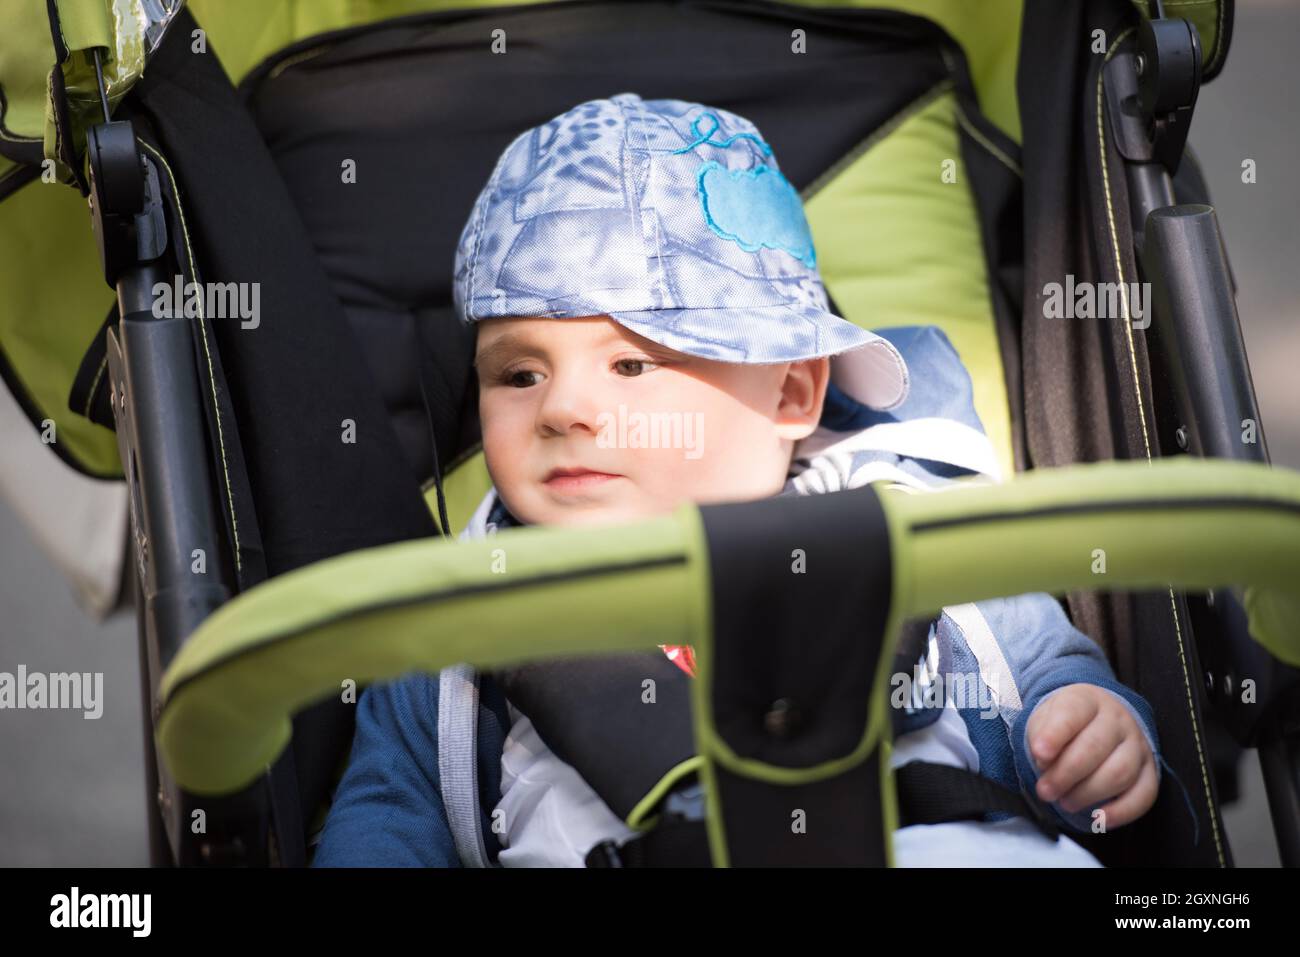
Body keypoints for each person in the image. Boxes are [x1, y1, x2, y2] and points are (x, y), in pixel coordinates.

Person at [312, 93, 1166, 868]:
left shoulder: (913, 525)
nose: (563, 407)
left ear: (791, 390)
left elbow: (1047, 669)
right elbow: (388, 807)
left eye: (634, 364)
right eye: (518, 375)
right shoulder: (455, 623)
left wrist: (1090, 725)